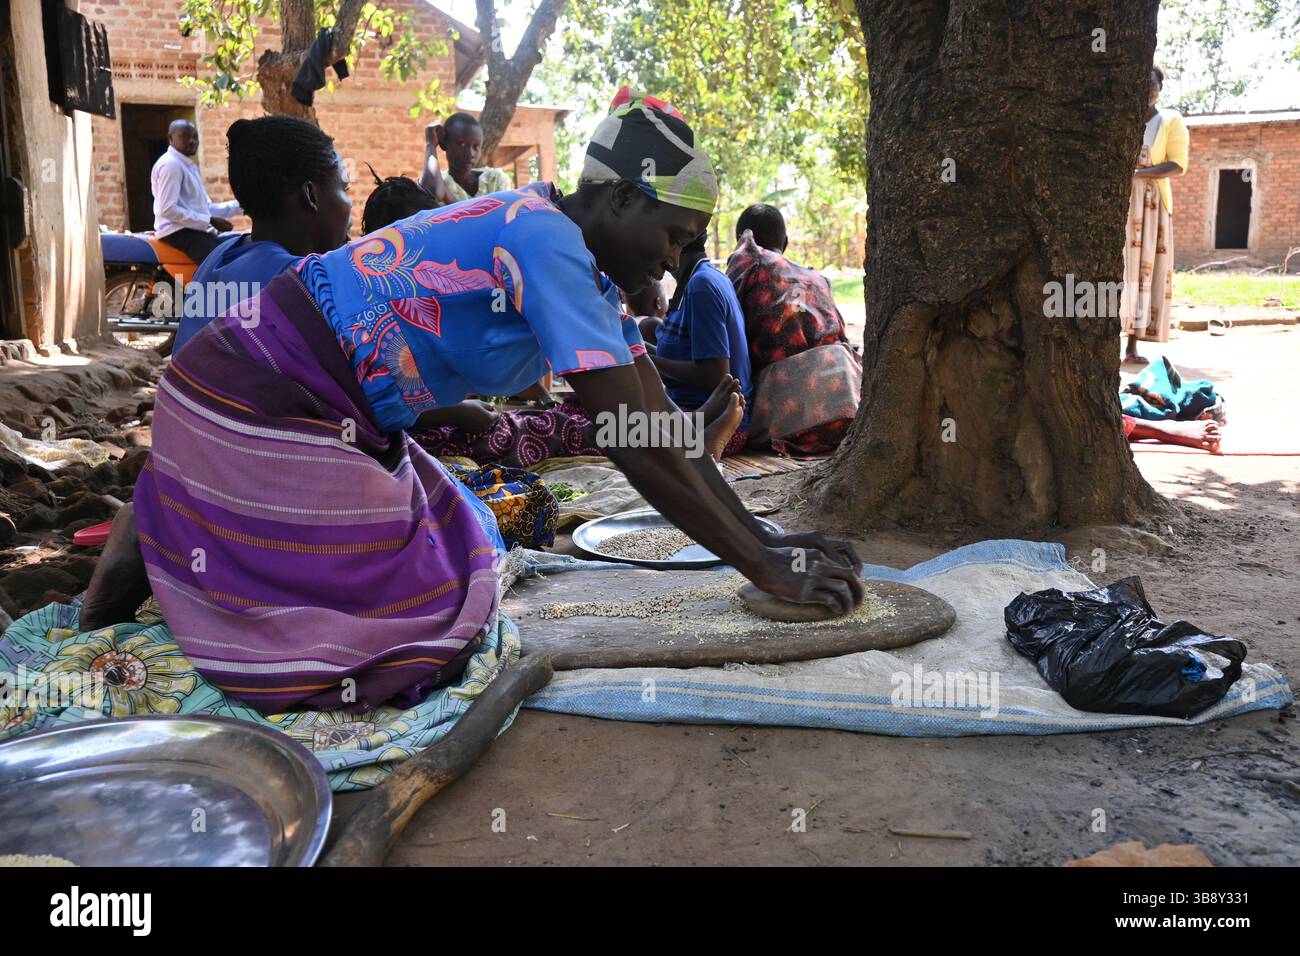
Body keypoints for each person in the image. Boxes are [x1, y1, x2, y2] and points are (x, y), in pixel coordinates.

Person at [81, 88, 863, 716]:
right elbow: (631, 440)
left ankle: (167, 516)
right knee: (398, 627)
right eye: (674, 235)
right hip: (254, 395)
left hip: (324, 410)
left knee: (462, 537)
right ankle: (164, 523)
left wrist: (768, 535)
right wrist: (761, 564)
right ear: (622, 198)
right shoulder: (543, 239)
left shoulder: (581, 266)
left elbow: (662, 427)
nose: (674, 261)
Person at [359, 172, 745, 465]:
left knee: (575, 420)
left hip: (450, 417)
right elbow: (380, 399)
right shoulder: (375, 305)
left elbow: (629, 377)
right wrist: (459, 411)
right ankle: (687, 442)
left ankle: (687, 439)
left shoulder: (539, 253)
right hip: (410, 434)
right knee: (560, 429)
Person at [173, 116, 355, 353]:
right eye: (344, 189)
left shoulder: (219, 256)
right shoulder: (304, 282)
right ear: (310, 196)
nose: (350, 205)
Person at [726, 204, 860, 456]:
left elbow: (721, 323)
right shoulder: (817, 277)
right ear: (785, 242)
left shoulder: (749, 257)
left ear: (742, 240)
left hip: (793, 413)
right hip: (847, 399)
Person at [649, 231, 754, 454]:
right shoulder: (700, 280)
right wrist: (642, 352)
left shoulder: (701, 285)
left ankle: (701, 440)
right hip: (690, 412)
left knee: (609, 428)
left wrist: (650, 360)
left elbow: (715, 375)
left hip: (716, 420)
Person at [1121, 65, 1188, 365]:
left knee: (1143, 270)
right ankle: (1110, 335)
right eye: (1142, 83)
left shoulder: (1170, 121)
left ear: (1160, 88)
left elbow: (1177, 164)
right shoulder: (1121, 119)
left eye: (1153, 84)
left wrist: (1138, 173)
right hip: (1120, 201)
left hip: (1150, 205)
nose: (1147, 89)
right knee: (1120, 268)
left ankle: (1132, 344)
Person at [150, 119, 242, 265]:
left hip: (191, 229)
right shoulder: (171, 165)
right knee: (223, 264)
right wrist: (209, 220)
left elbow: (207, 208)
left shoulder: (187, 165)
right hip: (178, 232)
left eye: (195, 137)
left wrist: (243, 205)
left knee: (236, 249)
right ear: (170, 138)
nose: (192, 141)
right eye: (185, 136)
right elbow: (167, 209)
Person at [420, 112, 513, 205]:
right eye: (462, 144)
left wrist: (447, 196)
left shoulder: (494, 179)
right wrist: (430, 144)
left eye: (476, 146)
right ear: (444, 143)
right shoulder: (437, 180)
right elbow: (431, 194)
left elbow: (502, 216)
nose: (470, 154)